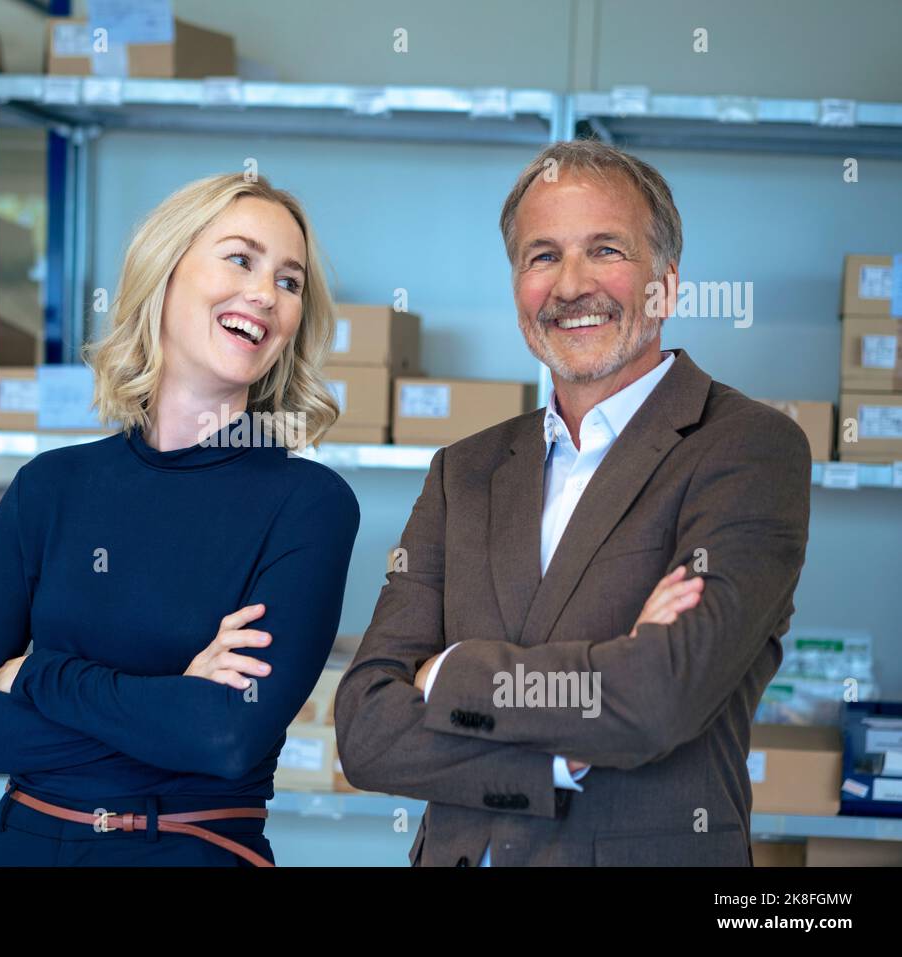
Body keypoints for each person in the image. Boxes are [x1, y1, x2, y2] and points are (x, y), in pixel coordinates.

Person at [334, 139, 811, 867]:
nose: (571, 285)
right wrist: (561, 753)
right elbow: (366, 727)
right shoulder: (463, 471)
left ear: (668, 285)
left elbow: (659, 697)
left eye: (606, 250)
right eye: (542, 256)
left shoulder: (746, 448)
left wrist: (448, 672)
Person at [0, 171, 360, 867]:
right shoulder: (51, 487)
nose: (266, 293)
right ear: (165, 270)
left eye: (290, 281)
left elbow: (227, 739)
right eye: (241, 258)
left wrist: (37, 675)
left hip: (184, 850)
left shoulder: (310, 506)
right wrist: (169, 704)